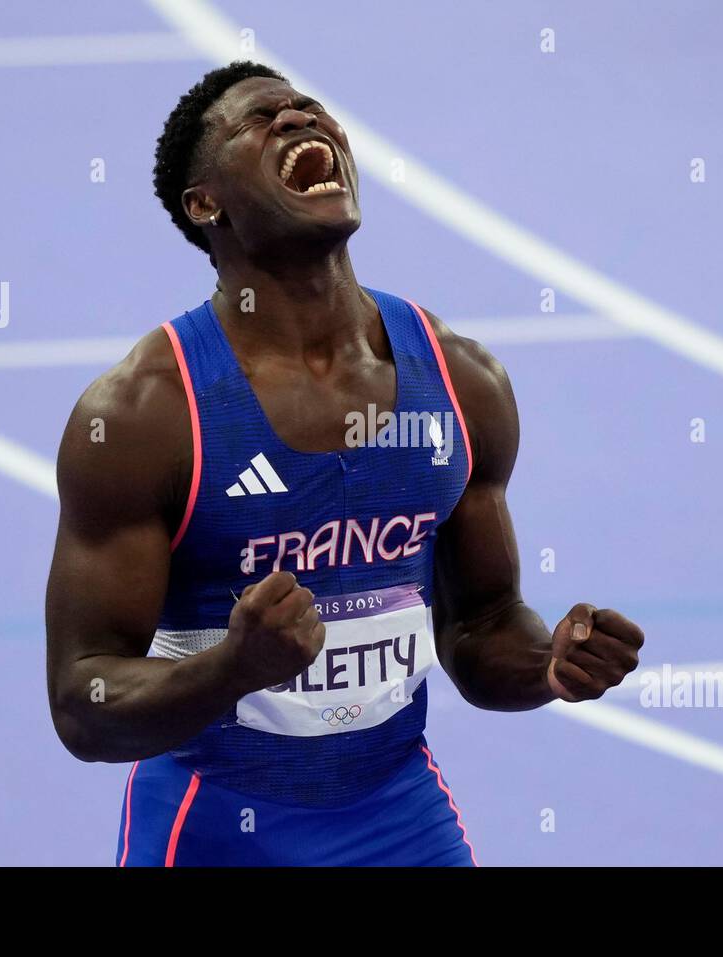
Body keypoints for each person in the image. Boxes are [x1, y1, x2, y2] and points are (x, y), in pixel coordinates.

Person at [44, 61, 645, 866]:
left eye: (310, 108)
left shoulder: (463, 382)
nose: (298, 120)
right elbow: (83, 703)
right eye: (261, 120)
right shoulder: (146, 415)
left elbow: (482, 626)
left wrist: (550, 664)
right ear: (204, 202)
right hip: (215, 829)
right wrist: (234, 668)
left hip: (398, 820)